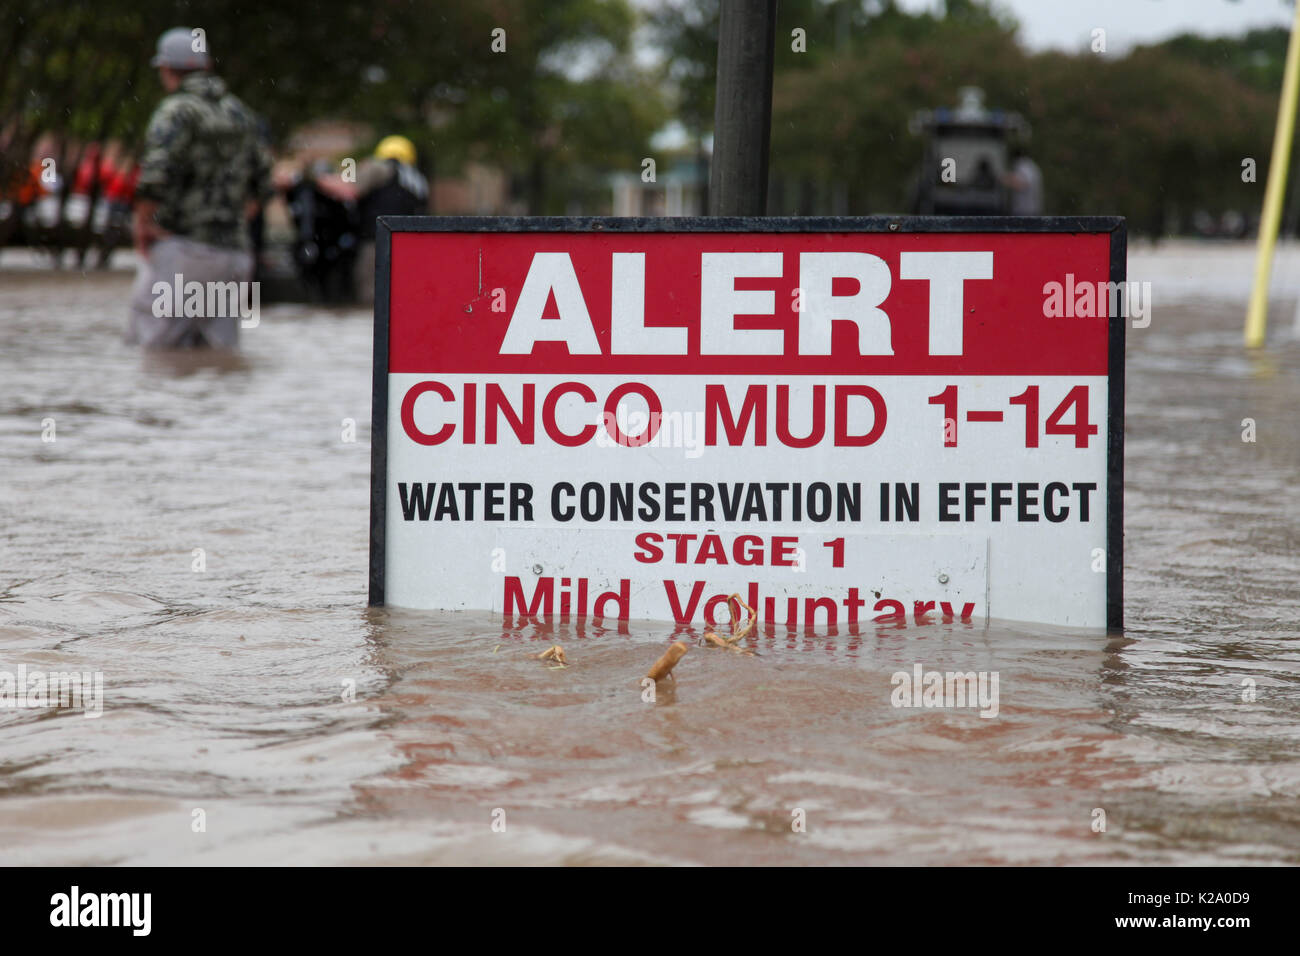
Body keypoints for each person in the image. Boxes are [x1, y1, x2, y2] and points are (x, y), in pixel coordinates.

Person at [126, 27, 271, 349]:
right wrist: (232, 222)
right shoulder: (240, 113)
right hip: (234, 255)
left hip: (184, 250)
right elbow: (263, 181)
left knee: (155, 353)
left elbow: (155, 174)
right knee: (217, 355)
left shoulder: (176, 111)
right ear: (206, 65)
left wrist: (143, 225)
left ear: (165, 69)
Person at [354, 135, 429, 304]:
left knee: (371, 289)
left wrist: (318, 179)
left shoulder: (379, 169)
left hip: (376, 238)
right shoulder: (417, 179)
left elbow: (351, 189)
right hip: (408, 241)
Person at [1004, 144, 1043, 216]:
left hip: (1026, 210)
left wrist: (1006, 181)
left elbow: (1023, 185)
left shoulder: (1023, 165)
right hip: (1030, 209)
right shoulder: (1031, 165)